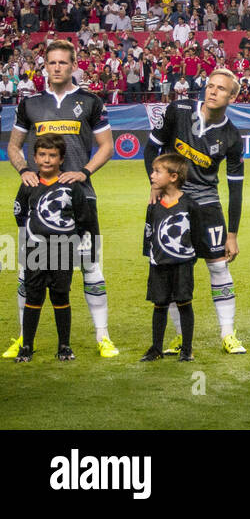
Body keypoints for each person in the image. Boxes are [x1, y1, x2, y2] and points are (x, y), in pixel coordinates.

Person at [5, 40, 117, 359]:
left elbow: (107, 146)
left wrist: (84, 171)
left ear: (73, 66)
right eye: (51, 63)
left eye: (62, 63)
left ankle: (102, 337)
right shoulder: (30, 104)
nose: (56, 68)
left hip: (81, 199)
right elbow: (14, 146)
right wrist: (24, 169)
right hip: (36, 202)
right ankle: (24, 339)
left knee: (91, 267)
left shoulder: (90, 101)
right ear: (45, 66)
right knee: (29, 272)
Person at [143, 68, 246, 355]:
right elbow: (151, 147)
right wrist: (153, 184)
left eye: (221, 88)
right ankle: (179, 337)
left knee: (218, 267)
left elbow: (235, 188)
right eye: (210, 86)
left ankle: (228, 333)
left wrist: (233, 234)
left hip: (207, 205)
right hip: (170, 204)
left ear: (233, 96)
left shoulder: (232, 136)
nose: (212, 91)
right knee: (171, 268)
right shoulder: (178, 110)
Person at [12, 134, 94, 362]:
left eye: (52, 155)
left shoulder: (71, 186)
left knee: (60, 295)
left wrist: (68, 239)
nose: (47, 160)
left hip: (63, 250)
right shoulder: (29, 184)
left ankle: (64, 346)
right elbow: (19, 213)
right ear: (35, 158)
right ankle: (26, 346)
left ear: (61, 159)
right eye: (42, 155)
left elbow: (82, 217)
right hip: (34, 251)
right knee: (33, 295)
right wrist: (34, 236)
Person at [140, 153, 203, 362]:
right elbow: (149, 230)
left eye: (157, 172)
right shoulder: (154, 204)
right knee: (159, 305)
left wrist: (191, 258)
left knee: (184, 303)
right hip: (159, 264)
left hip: (183, 264)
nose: (152, 175)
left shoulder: (190, 205)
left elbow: (197, 234)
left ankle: (186, 349)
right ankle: (156, 348)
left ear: (173, 177)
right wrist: (149, 255)